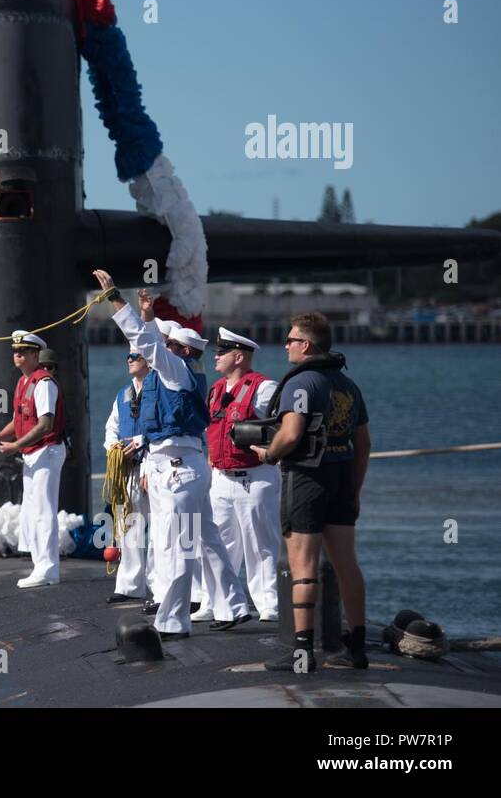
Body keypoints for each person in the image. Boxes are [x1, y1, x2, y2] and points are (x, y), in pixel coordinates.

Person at [92, 269, 250, 640]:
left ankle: (174, 620)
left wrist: (118, 297)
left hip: (177, 472)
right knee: (205, 540)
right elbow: (145, 341)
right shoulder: (177, 374)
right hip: (182, 468)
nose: (153, 349)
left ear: (177, 349)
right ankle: (233, 604)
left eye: (164, 343)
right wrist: (143, 313)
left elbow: (142, 339)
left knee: (180, 546)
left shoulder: (176, 370)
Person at [253, 312, 371, 672]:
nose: (285, 345)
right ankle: (358, 648)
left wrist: (268, 455)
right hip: (341, 479)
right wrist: (355, 489)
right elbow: (363, 444)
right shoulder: (348, 386)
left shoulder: (300, 383)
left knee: (303, 568)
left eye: (290, 339)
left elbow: (290, 434)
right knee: (346, 564)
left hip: (306, 480)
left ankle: (302, 654)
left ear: (306, 345)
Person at [203, 328, 281, 623]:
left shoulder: (264, 388)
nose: (216, 356)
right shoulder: (215, 390)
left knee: (260, 544)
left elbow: (281, 426)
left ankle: (268, 603)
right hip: (221, 477)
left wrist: (268, 451)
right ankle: (217, 601)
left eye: (222, 353)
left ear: (239, 356)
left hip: (255, 476)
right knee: (218, 544)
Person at [0, 330, 67, 589]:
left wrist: (15, 446)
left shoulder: (44, 383)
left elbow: (45, 424)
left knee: (44, 511)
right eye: (15, 351)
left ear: (36, 354)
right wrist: (1, 435)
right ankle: (40, 564)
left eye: (23, 351)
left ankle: (48, 569)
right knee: (32, 511)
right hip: (31, 453)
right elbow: (20, 418)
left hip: (46, 450)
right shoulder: (23, 383)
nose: (17, 355)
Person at [104, 347, 156, 605]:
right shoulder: (123, 394)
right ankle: (130, 585)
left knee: (161, 530)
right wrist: (114, 449)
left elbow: (161, 427)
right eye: (128, 356)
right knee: (129, 527)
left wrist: (136, 443)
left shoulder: (158, 390)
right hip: (129, 470)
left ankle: (158, 586)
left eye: (135, 356)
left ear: (148, 359)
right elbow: (111, 428)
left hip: (153, 464)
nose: (129, 360)